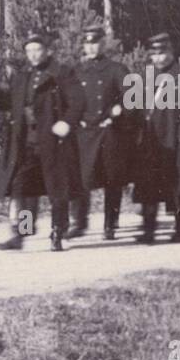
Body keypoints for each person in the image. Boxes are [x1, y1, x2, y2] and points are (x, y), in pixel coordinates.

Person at [0, 32, 82, 251]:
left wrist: (66, 122)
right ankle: (23, 232)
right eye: (29, 51)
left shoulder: (62, 74)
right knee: (23, 188)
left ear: (47, 51)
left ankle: (57, 232)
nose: (33, 55)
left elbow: (78, 102)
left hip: (54, 143)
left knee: (57, 191)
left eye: (37, 50)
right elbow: (8, 103)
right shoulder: (22, 77)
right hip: (28, 143)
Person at [68, 25, 130, 239]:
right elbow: (67, 100)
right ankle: (79, 222)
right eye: (88, 43)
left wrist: (118, 110)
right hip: (84, 133)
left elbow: (132, 96)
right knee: (80, 179)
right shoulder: (76, 71)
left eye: (95, 42)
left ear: (103, 44)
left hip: (108, 132)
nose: (91, 47)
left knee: (112, 180)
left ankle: (110, 224)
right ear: (83, 46)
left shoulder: (116, 69)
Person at [131, 32, 180, 243]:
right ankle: (149, 230)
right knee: (148, 186)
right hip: (149, 141)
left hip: (174, 139)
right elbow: (134, 109)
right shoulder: (143, 76)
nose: (158, 58)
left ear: (171, 52)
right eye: (154, 54)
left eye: (162, 53)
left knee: (177, 186)